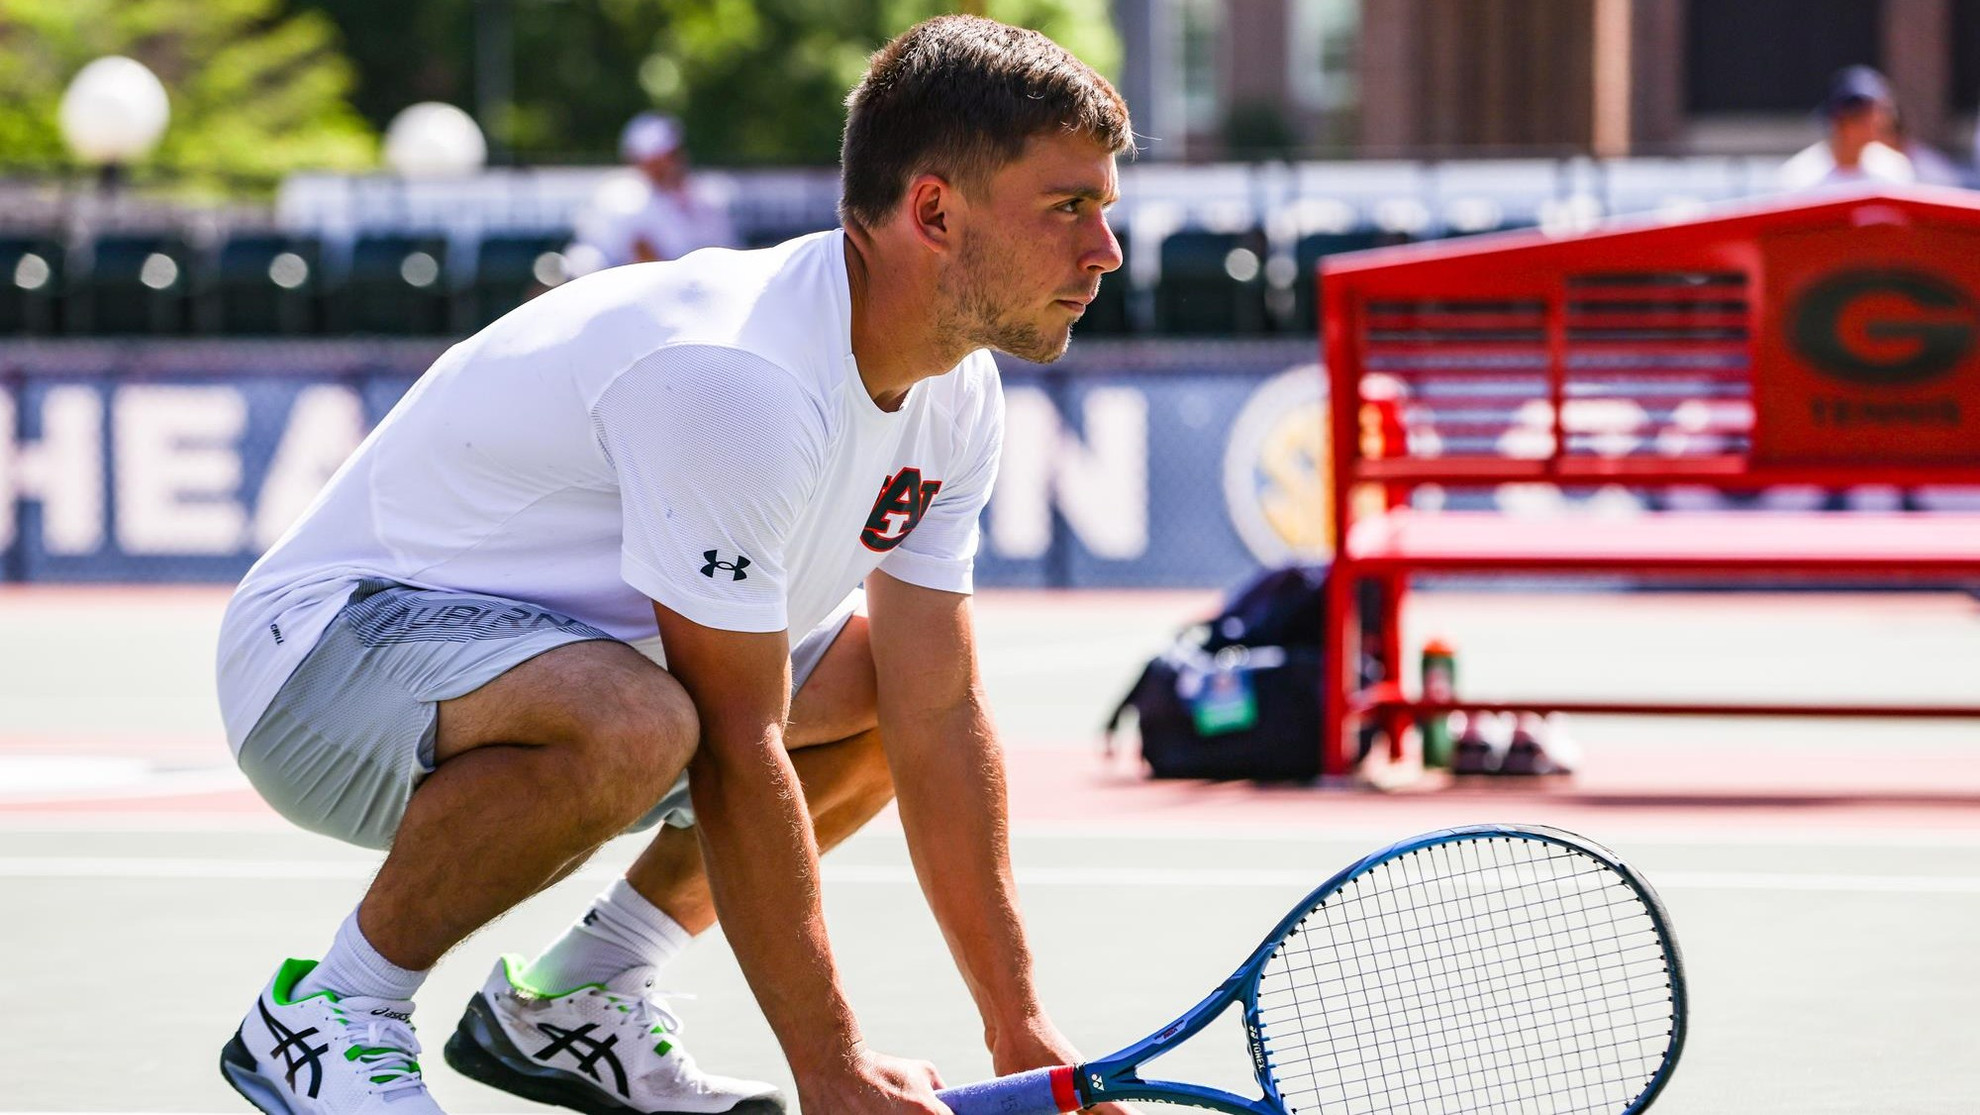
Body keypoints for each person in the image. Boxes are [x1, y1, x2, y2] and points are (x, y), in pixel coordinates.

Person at [213, 14, 1130, 1115]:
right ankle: (328, 1008)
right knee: (650, 719)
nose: (1104, 252)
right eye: (1068, 209)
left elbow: (936, 710)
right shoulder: (735, 379)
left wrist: (1019, 1026)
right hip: (319, 664)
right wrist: (830, 1067)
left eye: (1104, 210)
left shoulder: (957, 389)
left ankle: (574, 996)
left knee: (880, 685)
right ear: (933, 211)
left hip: (551, 664)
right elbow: (738, 742)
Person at [563, 111, 740, 277]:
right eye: (662, 157)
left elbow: (727, 254)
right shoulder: (618, 198)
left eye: (673, 153)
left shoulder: (706, 195)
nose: (672, 163)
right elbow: (639, 261)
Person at [1778, 65, 1916, 192]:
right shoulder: (1799, 176)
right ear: (1836, 119)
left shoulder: (1894, 169)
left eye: (1874, 113)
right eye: (1857, 115)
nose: (1870, 123)